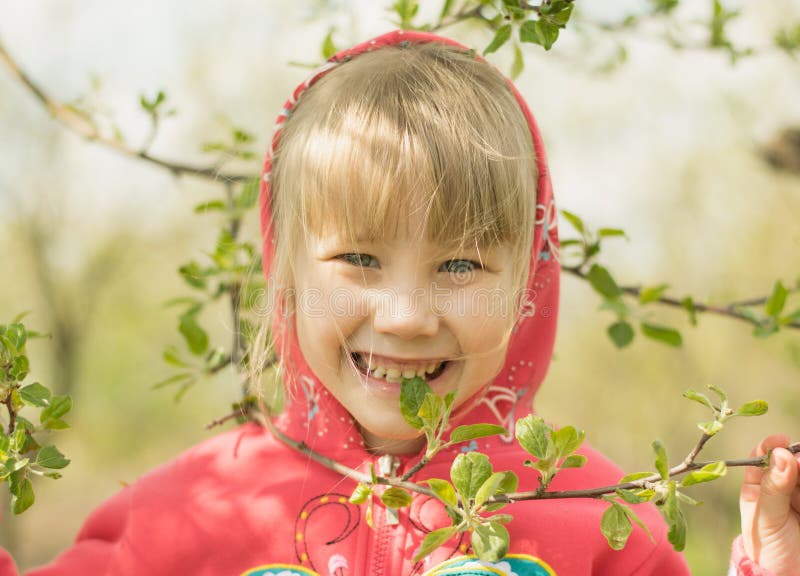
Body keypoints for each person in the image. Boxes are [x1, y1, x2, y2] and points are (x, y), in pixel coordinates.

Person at [1, 30, 797, 576]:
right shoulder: (188, 513)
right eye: (358, 259)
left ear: (528, 282)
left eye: (459, 263)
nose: (407, 314)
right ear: (284, 271)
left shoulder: (598, 521)